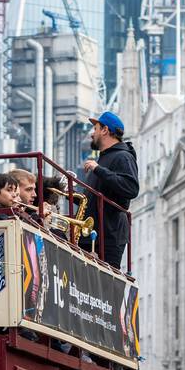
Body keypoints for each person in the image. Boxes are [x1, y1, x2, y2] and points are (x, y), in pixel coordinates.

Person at [79, 112, 139, 269]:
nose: (93, 133)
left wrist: (99, 169)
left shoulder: (122, 156)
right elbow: (95, 198)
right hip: (94, 235)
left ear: (105, 130)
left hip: (108, 237)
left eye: (96, 128)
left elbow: (131, 188)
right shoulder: (104, 159)